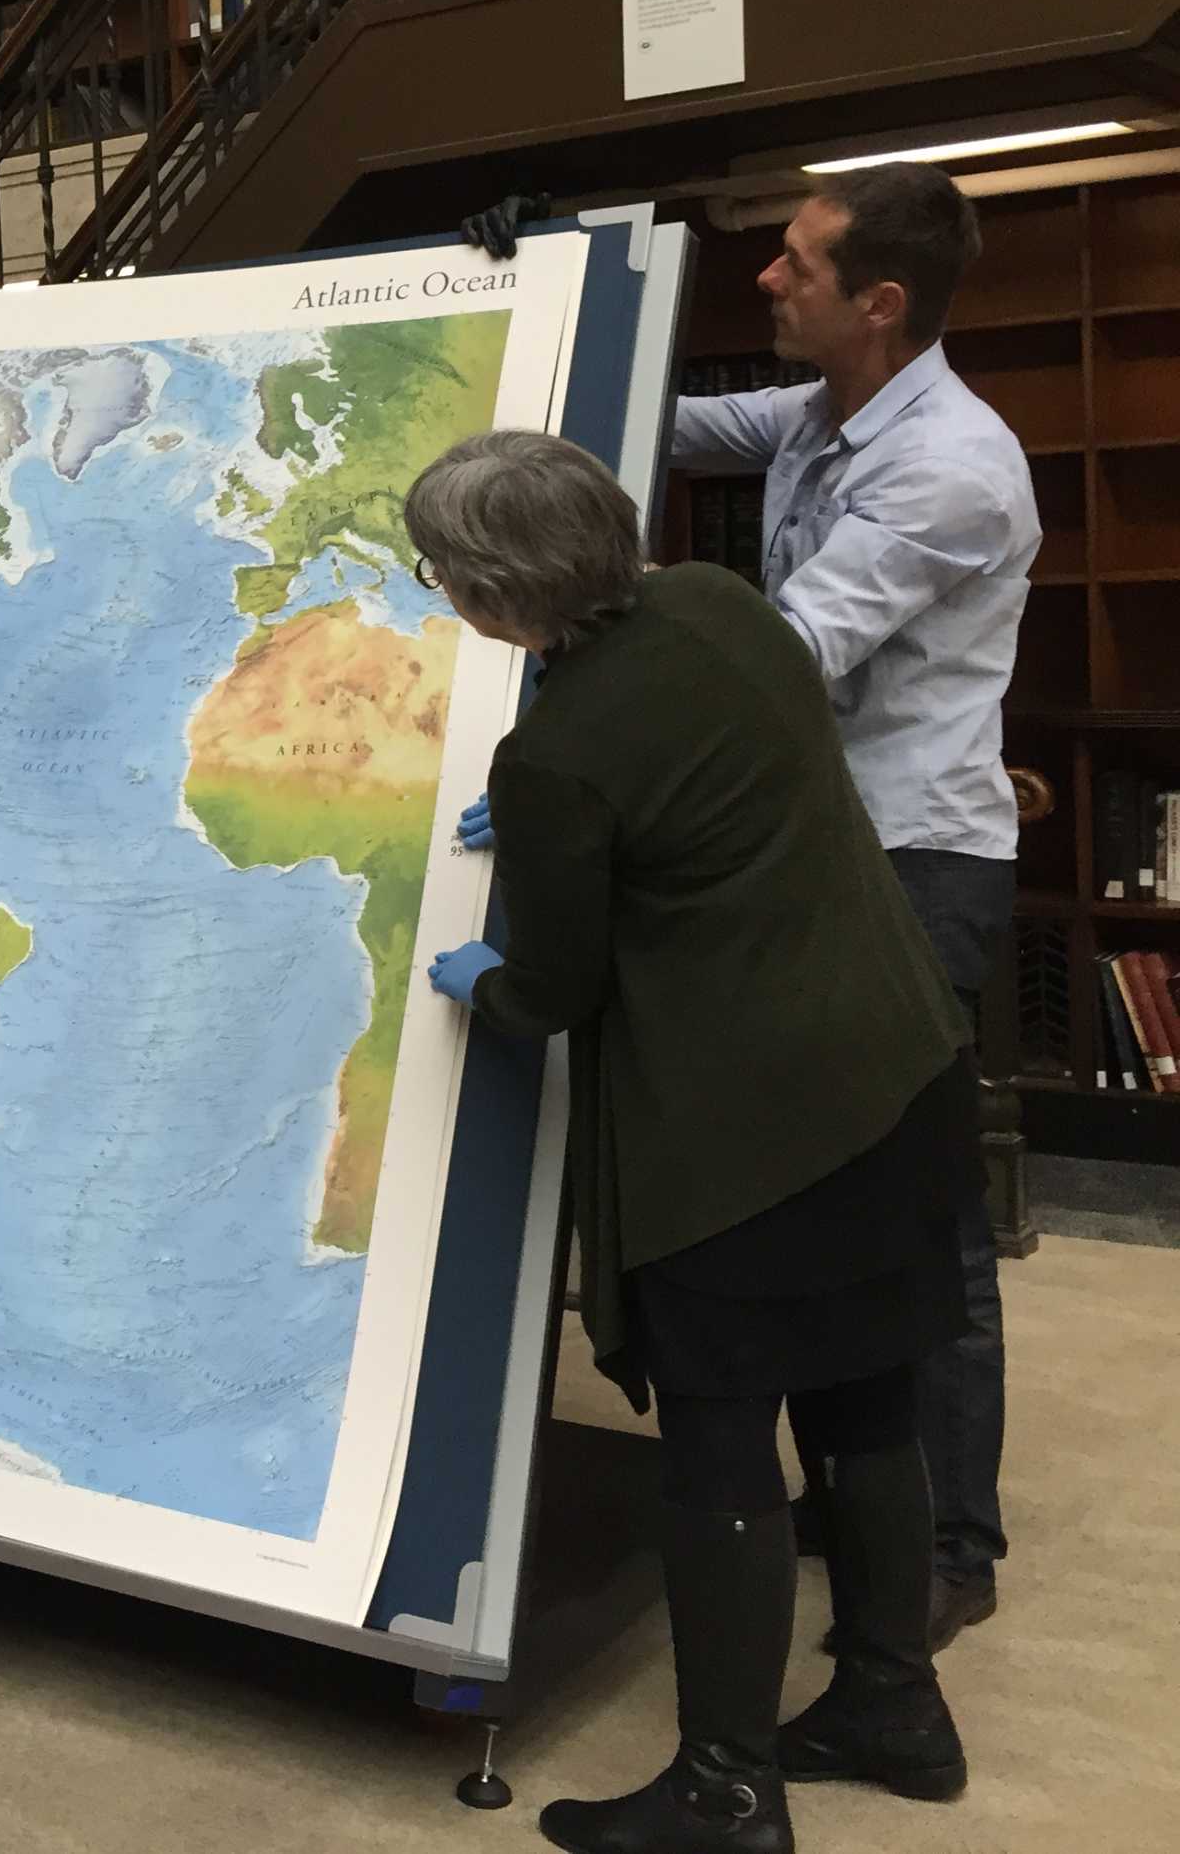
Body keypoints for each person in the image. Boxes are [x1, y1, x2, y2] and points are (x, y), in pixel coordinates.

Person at [472, 168, 1038, 1649]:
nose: (766, 283)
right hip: (789, 848)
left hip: (908, 858)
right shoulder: (818, 417)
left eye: (792, 265)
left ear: (882, 301)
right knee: (821, 1214)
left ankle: (949, 1544)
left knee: (917, 1225)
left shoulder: (952, 467)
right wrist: (522, 303)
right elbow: (636, 423)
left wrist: (581, 757)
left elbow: (780, 658)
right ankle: (848, 1504)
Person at [414, 431, 979, 1854]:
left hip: (746, 1140)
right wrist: (557, 814)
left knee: (722, 1450)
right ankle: (893, 1704)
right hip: (896, 1074)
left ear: (491, 595)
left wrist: (477, 968)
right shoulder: (724, 605)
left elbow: (551, 990)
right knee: (866, 1406)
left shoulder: (557, 753)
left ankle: (729, 1790)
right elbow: (702, 779)